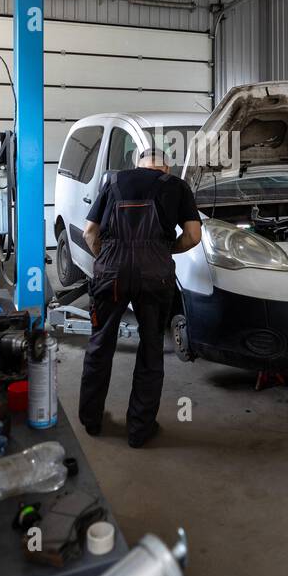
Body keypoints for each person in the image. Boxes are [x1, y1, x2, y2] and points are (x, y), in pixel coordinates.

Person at [78, 146, 202, 448]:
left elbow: (89, 233)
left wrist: (107, 259)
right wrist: (163, 251)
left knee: (100, 344)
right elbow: (194, 236)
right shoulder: (177, 186)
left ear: (138, 164)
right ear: (166, 168)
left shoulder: (115, 181)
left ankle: (91, 420)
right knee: (150, 350)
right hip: (154, 276)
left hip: (112, 273)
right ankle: (139, 429)